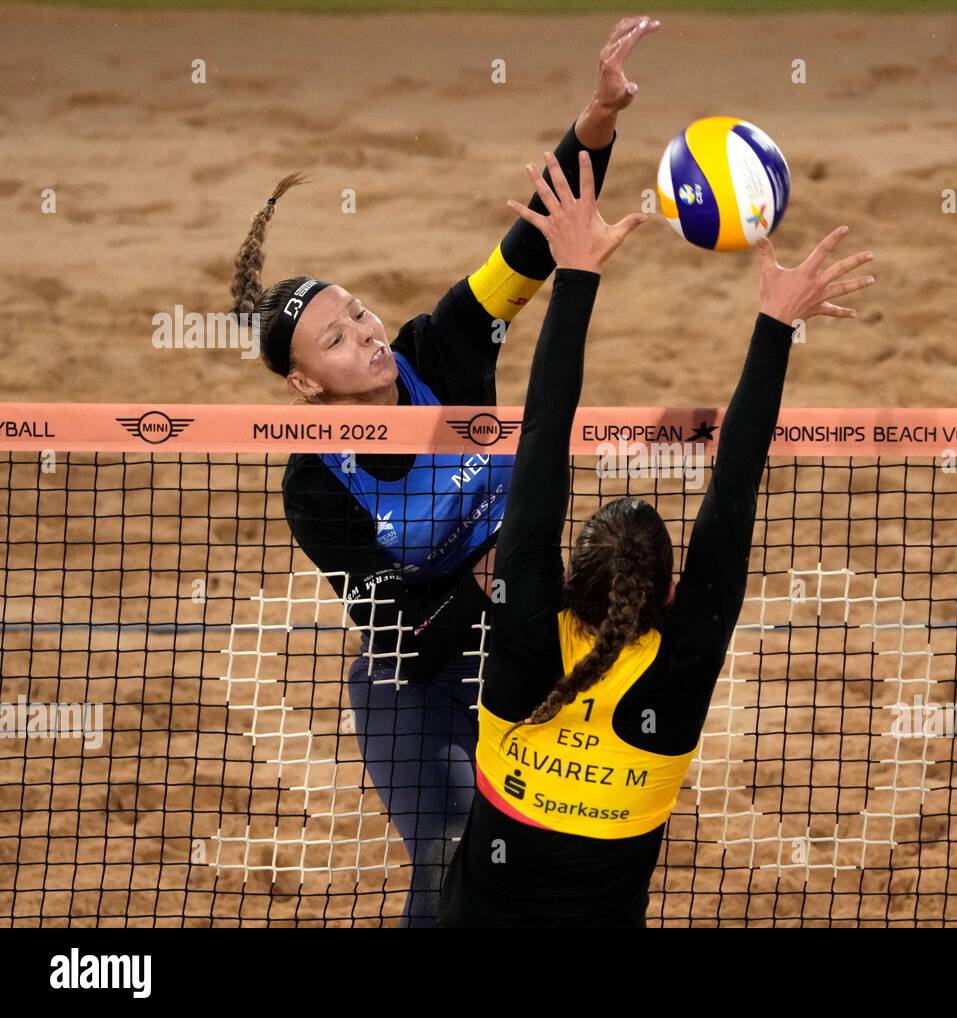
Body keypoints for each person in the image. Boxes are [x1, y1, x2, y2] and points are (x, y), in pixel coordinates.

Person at [225, 16, 661, 927]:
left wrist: (597, 120)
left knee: (562, 845)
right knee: (448, 852)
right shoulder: (315, 485)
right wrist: (485, 574)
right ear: (305, 384)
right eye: (337, 339)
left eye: (358, 311)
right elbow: (403, 634)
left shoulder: (446, 348)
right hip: (415, 673)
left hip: (523, 634)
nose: (367, 335)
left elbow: (530, 248)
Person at [439, 145, 875, 927]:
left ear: (568, 578)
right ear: (669, 592)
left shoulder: (530, 622)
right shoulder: (682, 658)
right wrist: (775, 324)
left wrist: (575, 274)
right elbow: (733, 486)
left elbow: (542, 433)